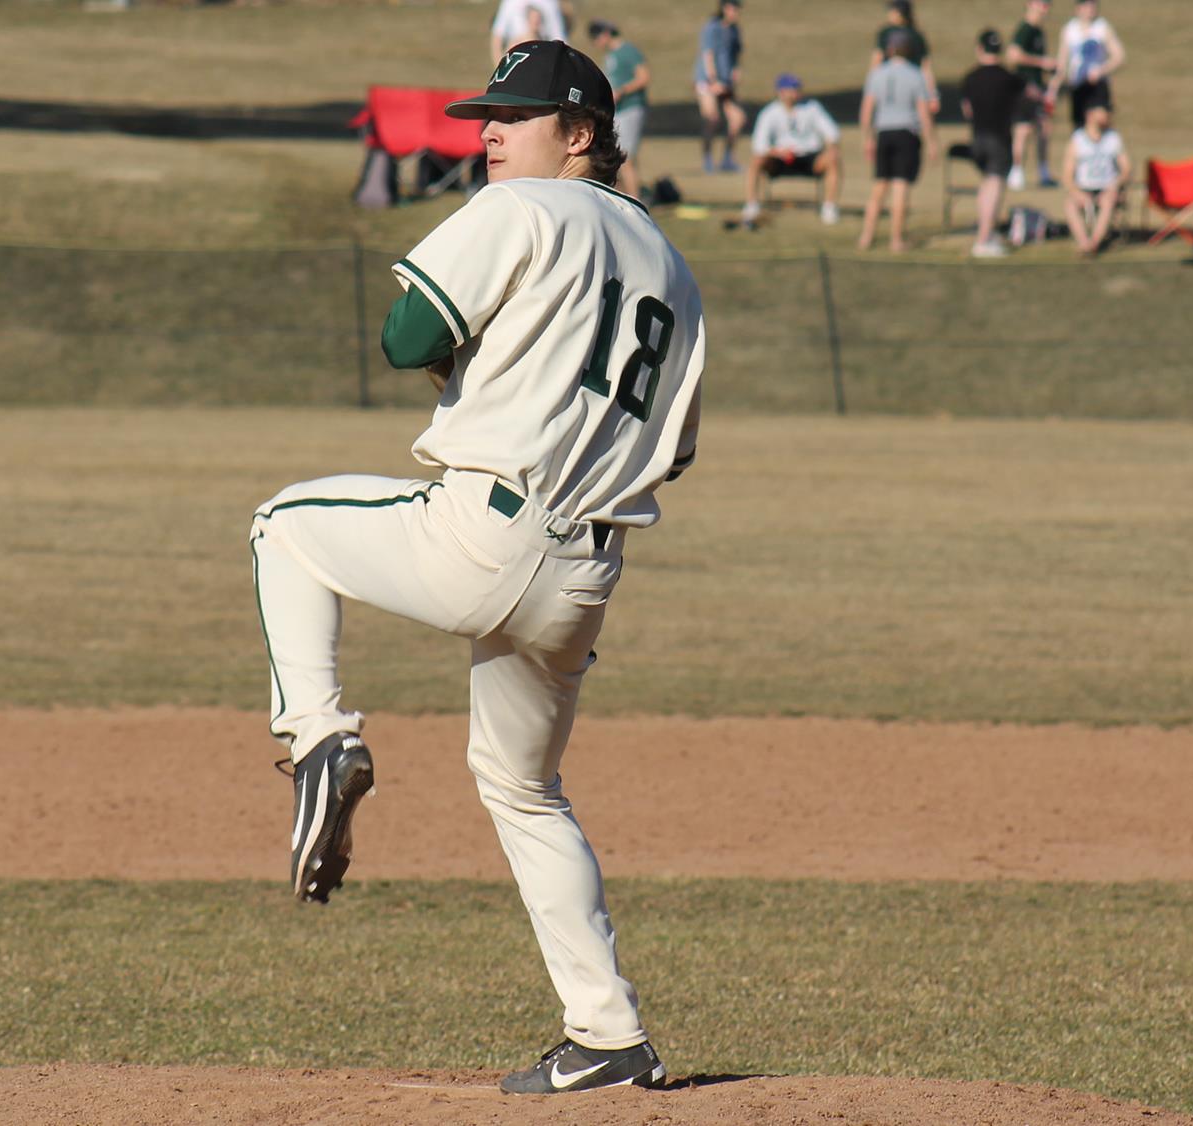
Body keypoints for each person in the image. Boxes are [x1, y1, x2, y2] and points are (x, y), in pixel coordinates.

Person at [251, 39, 702, 1097]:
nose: (489, 134)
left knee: (283, 525)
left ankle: (318, 739)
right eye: (486, 117)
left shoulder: (521, 208)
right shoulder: (670, 265)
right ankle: (608, 1036)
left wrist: (475, 361)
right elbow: (673, 452)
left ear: (579, 133)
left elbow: (407, 333)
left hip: (484, 529)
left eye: (515, 116)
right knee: (523, 788)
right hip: (585, 575)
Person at [858, 29, 935, 252]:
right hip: (906, 133)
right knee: (900, 187)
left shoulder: (876, 74)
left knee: (879, 186)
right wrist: (931, 140)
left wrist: (867, 138)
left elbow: (866, 112)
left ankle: (866, 237)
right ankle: (896, 239)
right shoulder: (915, 75)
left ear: (890, 50)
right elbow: (923, 112)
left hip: (883, 133)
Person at [741, 73, 843, 226]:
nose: (796, 93)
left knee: (833, 158)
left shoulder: (812, 108)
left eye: (797, 89)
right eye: (792, 89)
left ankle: (829, 208)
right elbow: (759, 144)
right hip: (780, 159)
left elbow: (832, 133)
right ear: (781, 92)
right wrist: (777, 152)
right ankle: (752, 205)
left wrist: (832, 147)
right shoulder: (769, 113)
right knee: (756, 160)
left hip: (809, 157)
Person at [961, 29, 1021, 256]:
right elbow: (1026, 102)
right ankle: (983, 240)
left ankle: (987, 232)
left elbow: (967, 110)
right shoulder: (1009, 78)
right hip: (999, 139)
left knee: (987, 183)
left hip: (977, 139)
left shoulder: (970, 78)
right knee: (995, 184)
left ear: (979, 49)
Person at [591, 19, 651, 200]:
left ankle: (634, 201)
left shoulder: (627, 51)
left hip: (630, 108)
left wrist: (622, 91)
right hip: (618, 111)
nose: (596, 43)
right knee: (617, 157)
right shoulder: (611, 55)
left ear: (606, 34)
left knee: (625, 158)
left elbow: (644, 77)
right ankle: (625, 196)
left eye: (596, 38)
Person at [1060, 101, 1129, 256]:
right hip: (1084, 188)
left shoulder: (1113, 137)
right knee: (1070, 205)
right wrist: (1077, 192)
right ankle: (1084, 242)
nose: (1108, 115)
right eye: (1104, 111)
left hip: (1107, 188)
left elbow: (1126, 169)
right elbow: (1067, 175)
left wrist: (1115, 185)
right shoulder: (1077, 139)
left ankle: (1094, 244)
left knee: (1107, 201)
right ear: (1090, 115)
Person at [1004, 0, 1058, 190]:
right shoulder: (1025, 29)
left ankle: (1043, 172)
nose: (1044, 8)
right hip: (1025, 89)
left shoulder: (1039, 31)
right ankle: (1016, 171)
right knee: (1023, 129)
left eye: (1047, 4)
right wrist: (1042, 62)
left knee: (1044, 129)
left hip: (1038, 89)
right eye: (1041, 3)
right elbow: (1013, 55)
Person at [1054, 0, 1123, 131]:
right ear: (1078, 8)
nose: (1090, 8)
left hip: (1098, 85)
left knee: (1101, 122)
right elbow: (1062, 62)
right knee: (1079, 127)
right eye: (1086, 5)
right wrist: (1054, 88)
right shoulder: (1069, 30)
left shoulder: (1102, 27)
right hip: (1078, 85)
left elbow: (1119, 56)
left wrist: (1101, 71)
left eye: (1092, 5)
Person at [694, 0, 746, 172]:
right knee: (712, 118)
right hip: (707, 80)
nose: (735, 12)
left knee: (737, 118)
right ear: (724, 9)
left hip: (725, 82)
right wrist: (713, 80)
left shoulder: (734, 30)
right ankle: (708, 158)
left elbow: (736, 54)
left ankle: (727, 159)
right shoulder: (712, 27)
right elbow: (707, 54)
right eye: (733, 9)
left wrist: (735, 72)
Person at [869, 0, 939, 114]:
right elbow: (926, 68)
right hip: (910, 81)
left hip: (891, 82)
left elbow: (876, 61)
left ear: (900, 13)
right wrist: (933, 95)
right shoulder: (916, 34)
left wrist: (872, 86)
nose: (889, 13)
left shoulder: (887, 34)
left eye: (892, 11)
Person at [490, 0, 567, 61]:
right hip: (515, 58)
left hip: (543, 58)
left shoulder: (550, 3)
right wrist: (501, 69)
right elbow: (497, 39)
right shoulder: (510, 2)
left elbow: (560, 40)